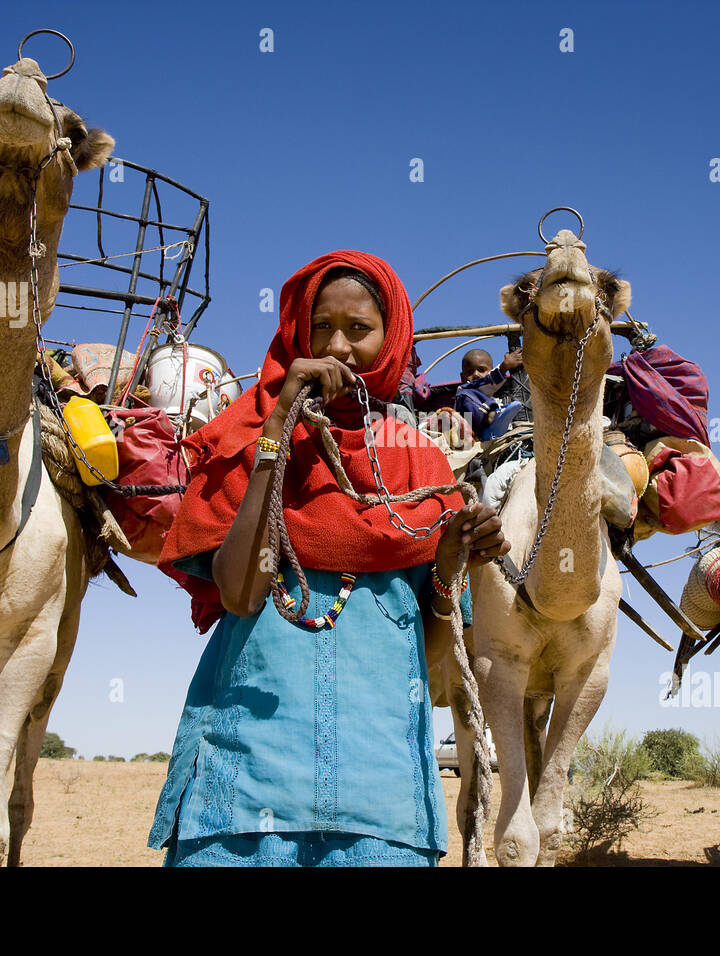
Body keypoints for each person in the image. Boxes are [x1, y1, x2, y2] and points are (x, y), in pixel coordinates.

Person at [149, 250, 509, 867]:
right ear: (296, 334)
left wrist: (449, 560)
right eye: (321, 328)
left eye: (359, 331)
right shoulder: (244, 439)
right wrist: (276, 433)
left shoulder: (420, 466)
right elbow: (239, 593)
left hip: (382, 799)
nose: (338, 347)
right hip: (244, 787)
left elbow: (428, 651)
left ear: (391, 339)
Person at [454, 347, 524, 440]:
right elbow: (484, 382)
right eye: (470, 372)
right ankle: (492, 418)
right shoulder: (464, 392)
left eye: (481, 370)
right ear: (463, 377)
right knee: (464, 394)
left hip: (491, 435)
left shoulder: (495, 399)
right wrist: (504, 367)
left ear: (490, 370)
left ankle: (498, 424)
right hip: (471, 434)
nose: (475, 374)